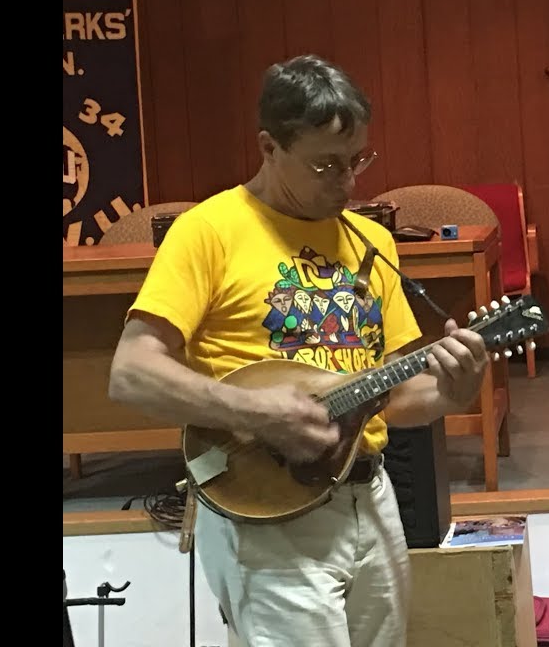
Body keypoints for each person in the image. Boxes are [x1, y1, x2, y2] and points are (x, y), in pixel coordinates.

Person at [108, 54, 489, 646]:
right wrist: (256, 411)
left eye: (357, 160)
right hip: (266, 505)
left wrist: (452, 390)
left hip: (370, 496)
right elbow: (132, 372)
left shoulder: (371, 240)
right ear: (269, 146)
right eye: (326, 164)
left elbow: (395, 394)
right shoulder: (208, 231)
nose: (348, 182)